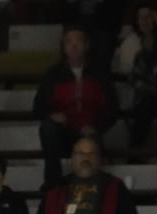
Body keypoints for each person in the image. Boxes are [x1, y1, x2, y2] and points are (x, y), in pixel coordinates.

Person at [33, 25, 115, 185]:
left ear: (86, 45)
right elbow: (37, 108)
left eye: (78, 41)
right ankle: (52, 183)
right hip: (63, 134)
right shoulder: (53, 75)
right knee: (48, 128)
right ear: (63, 47)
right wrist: (52, 116)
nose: (74, 45)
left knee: (90, 141)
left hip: (90, 132)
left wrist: (96, 126)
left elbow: (112, 109)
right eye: (69, 42)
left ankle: (94, 186)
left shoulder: (100, 73)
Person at [113, 3, 157, 156]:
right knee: (145, 105)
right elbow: (129, 75)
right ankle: (135, 154)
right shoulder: (131, 43)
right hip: (140, 96)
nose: (144, 21)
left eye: (148, 17)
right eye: (140, 17)